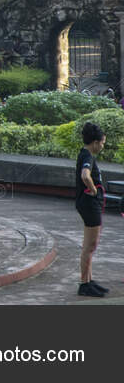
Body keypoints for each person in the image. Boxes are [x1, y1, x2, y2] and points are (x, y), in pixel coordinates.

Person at [76, 121, 110, 297]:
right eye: (102, 143)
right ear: (95, 142)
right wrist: (94, 190)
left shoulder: (85, 154)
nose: (102, 146)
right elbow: (85, 175)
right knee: (90, 246)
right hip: (89, 204)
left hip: (87, 204)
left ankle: (89, 280)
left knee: (89, 245)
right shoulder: (88, 156)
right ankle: (84, 284)